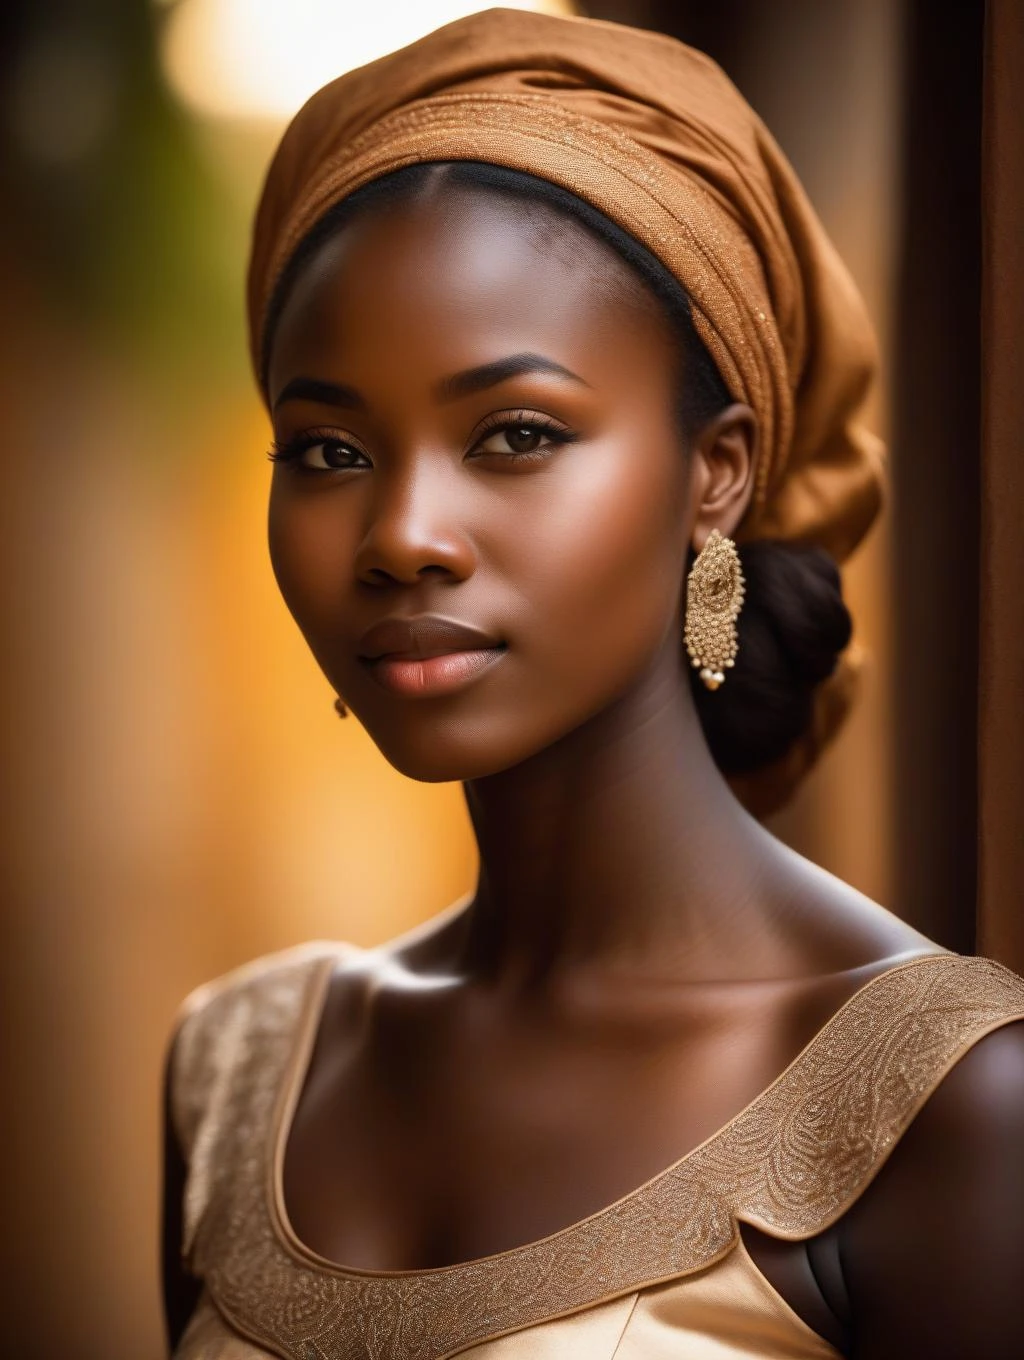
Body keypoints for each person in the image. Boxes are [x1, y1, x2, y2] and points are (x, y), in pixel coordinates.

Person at [161, 9, 1024, 1358]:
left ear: (717, 472)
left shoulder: (950, 1106)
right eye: (328, 451)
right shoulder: (238, 1073)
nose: (400, 535)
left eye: (514, 433)